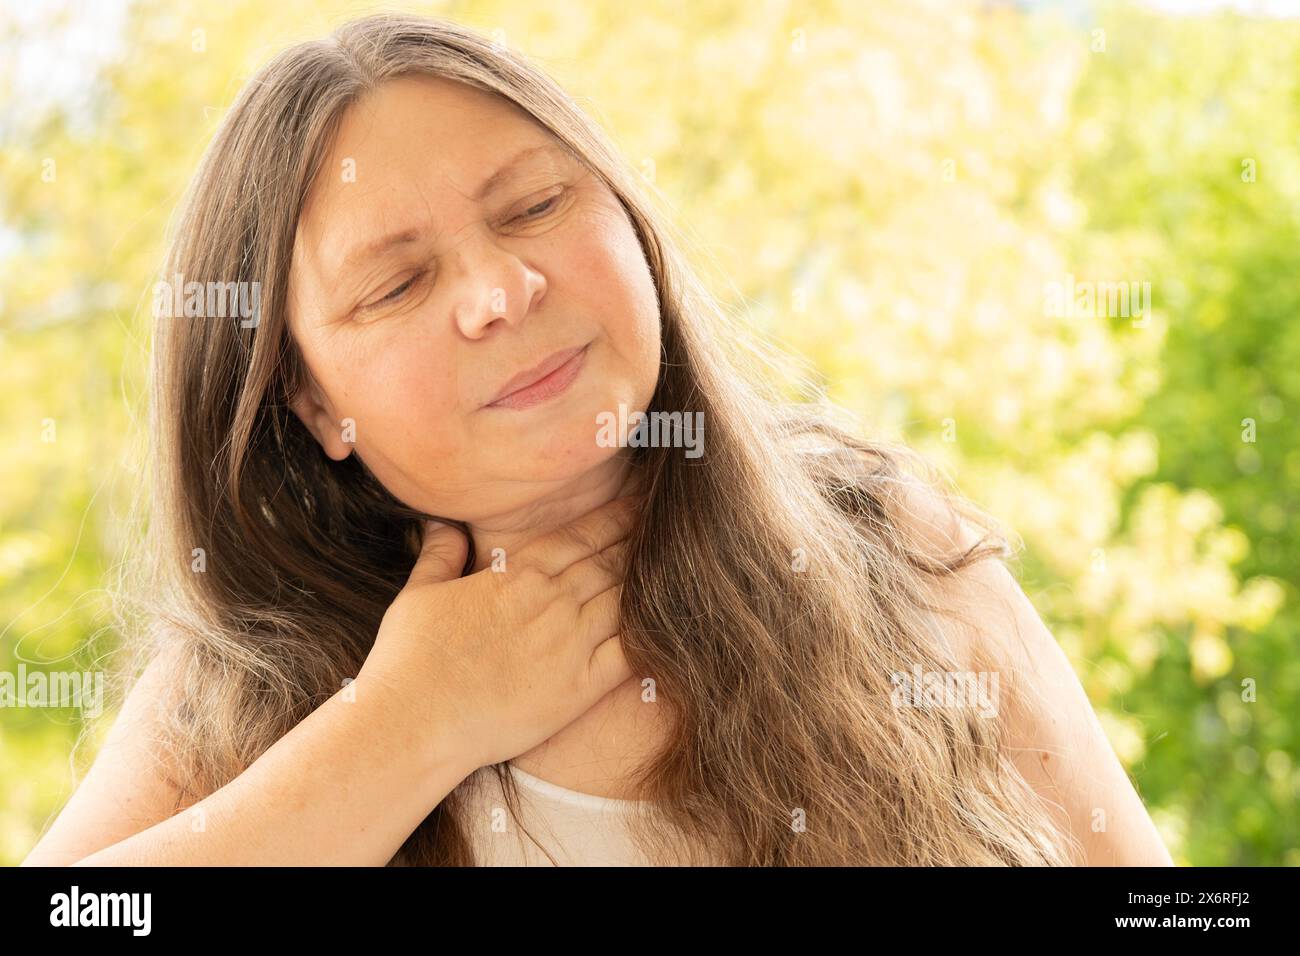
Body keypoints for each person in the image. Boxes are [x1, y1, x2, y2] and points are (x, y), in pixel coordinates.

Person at [22, 12, 1173, 867]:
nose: (499, 289)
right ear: (312, 405)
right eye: (398, 283)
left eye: (533, 206)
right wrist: (407, 731)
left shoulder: (890, 545)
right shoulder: (247, 679)